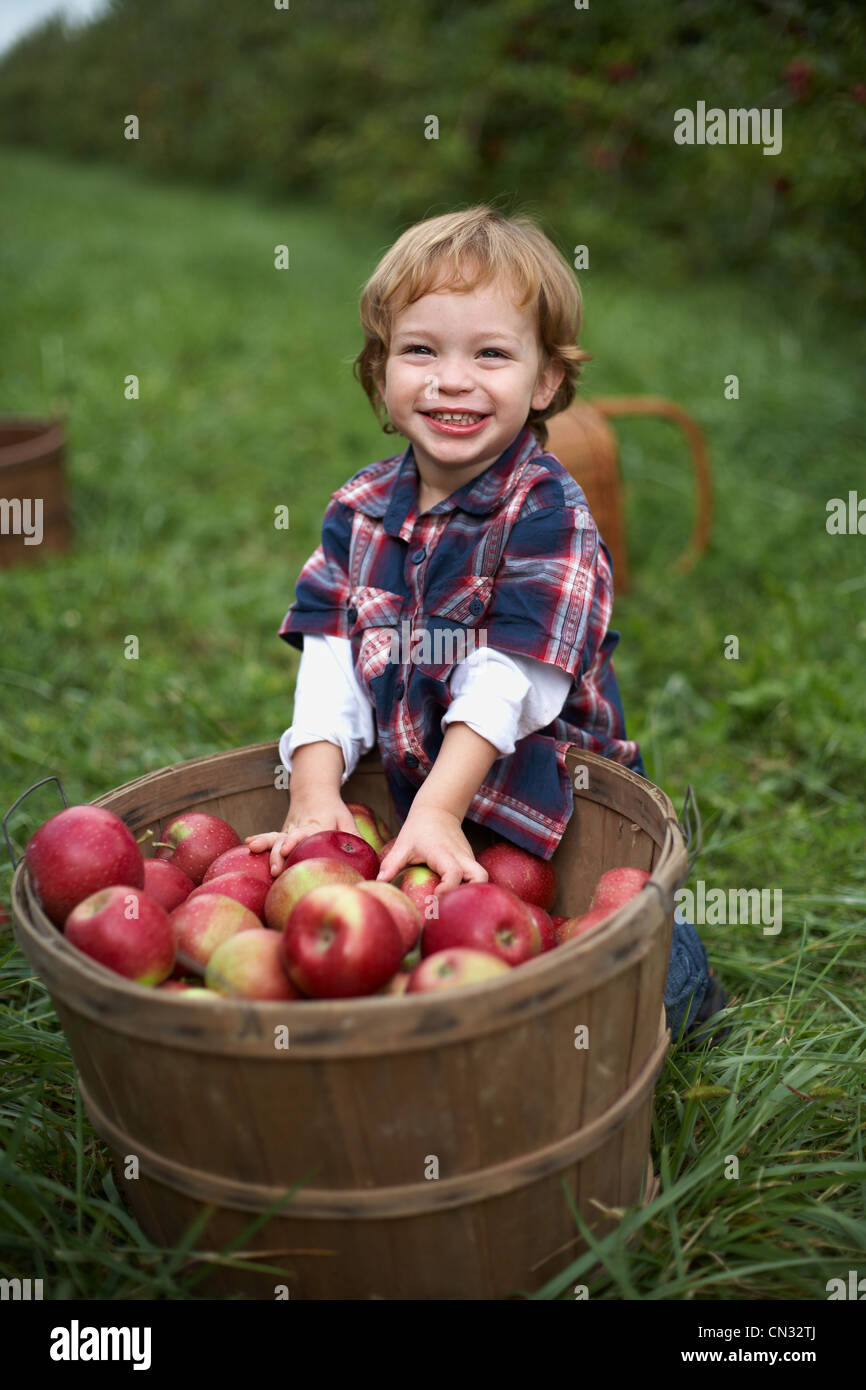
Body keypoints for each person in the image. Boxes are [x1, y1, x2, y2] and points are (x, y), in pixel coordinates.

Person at [247, 205, 728, 1045]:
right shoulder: (357, 510)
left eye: (492, 354)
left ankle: (678, 993)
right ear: (380, 374)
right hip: (422, 799)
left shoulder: (550, 512)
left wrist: (439, 808)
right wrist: (318, 794)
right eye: (420, 350)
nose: (451, 379)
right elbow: (329, 656)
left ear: (544, 383)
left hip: (556, 804)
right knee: (440, 973)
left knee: (645, 989)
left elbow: (511, 675)